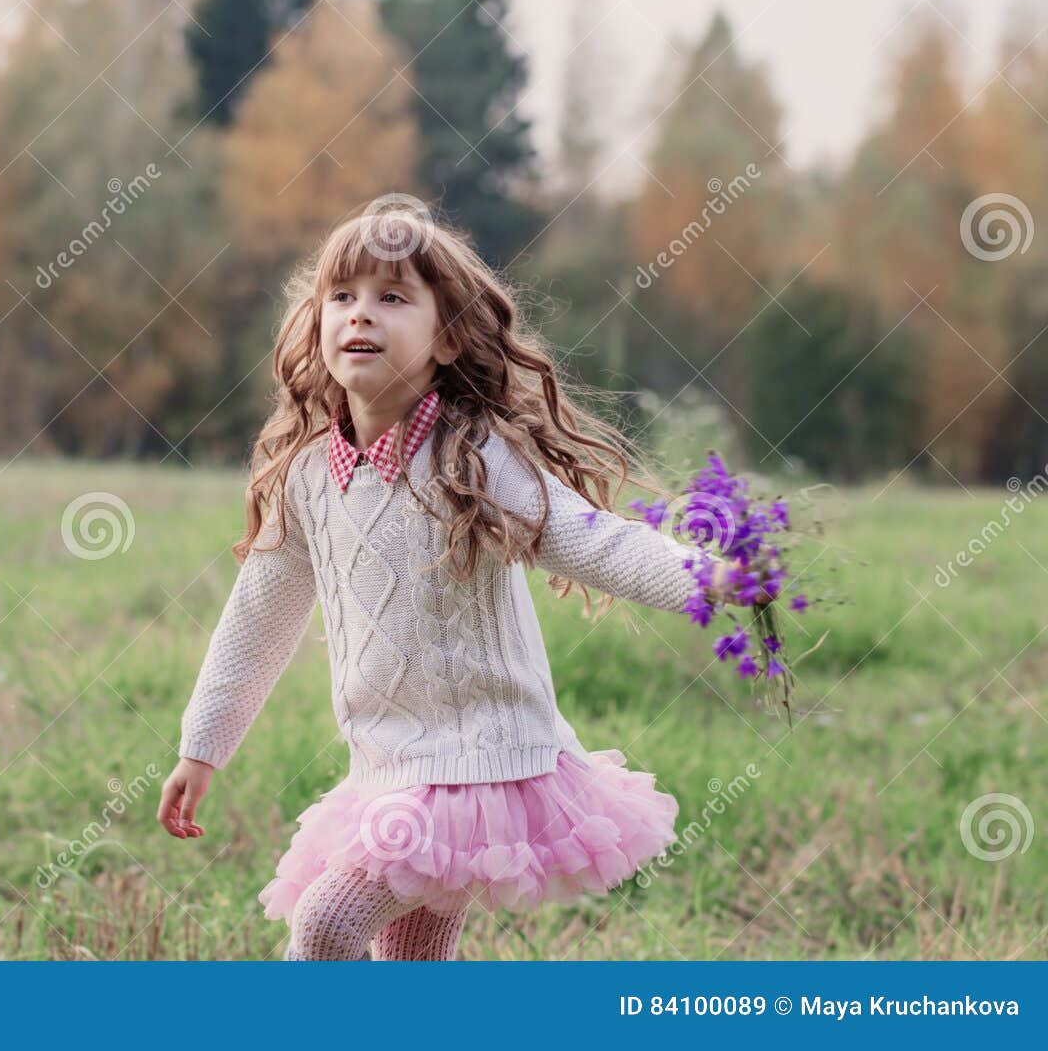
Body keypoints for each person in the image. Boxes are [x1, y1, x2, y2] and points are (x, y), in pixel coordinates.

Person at [157, 205, 739, 961]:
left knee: (327, 927)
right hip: (390, 765)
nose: (361, 312)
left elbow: (582, 537)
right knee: (412, 965)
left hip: (479, 763)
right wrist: (202, 749)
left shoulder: (472, 457)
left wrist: (709, 575)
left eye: (393, 297)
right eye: (343, 296)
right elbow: (256, 620)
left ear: (449, 337)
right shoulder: (306, 476)